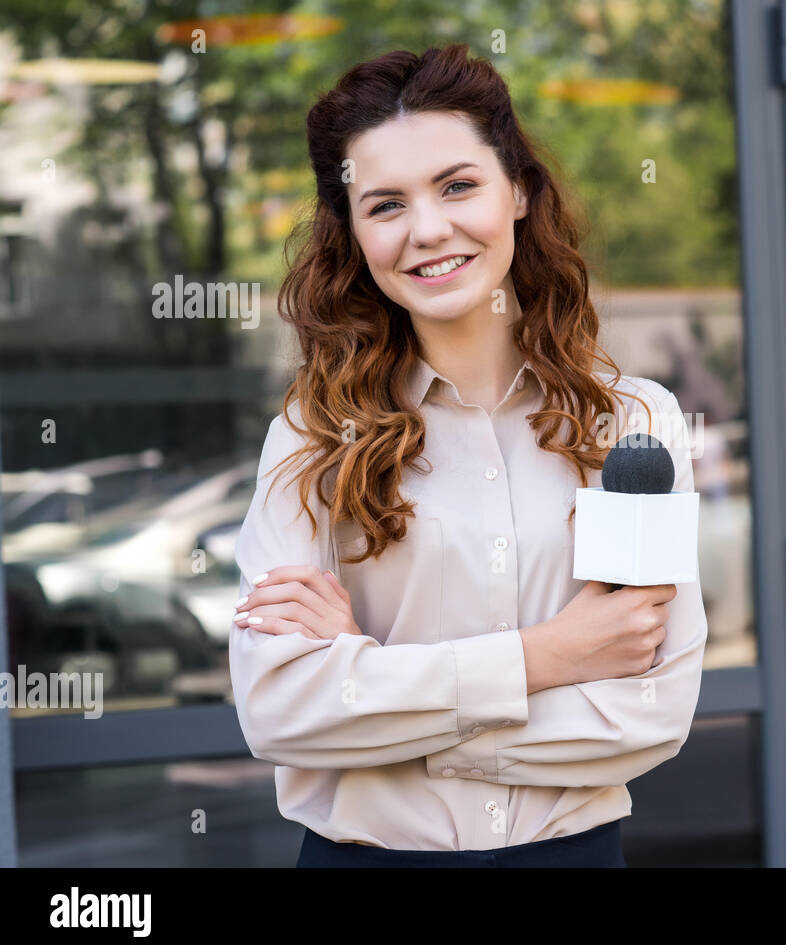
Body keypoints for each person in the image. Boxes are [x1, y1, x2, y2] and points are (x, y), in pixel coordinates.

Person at [227, 44, 707, 867]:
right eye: (385, 204)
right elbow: (281, 710)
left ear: (518, 190)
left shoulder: (633, 423)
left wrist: (383, 696)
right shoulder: (314, 434)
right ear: (354, 231)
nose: (428, 230)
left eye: (457, 186)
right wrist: (551, 656)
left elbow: (650, 710)